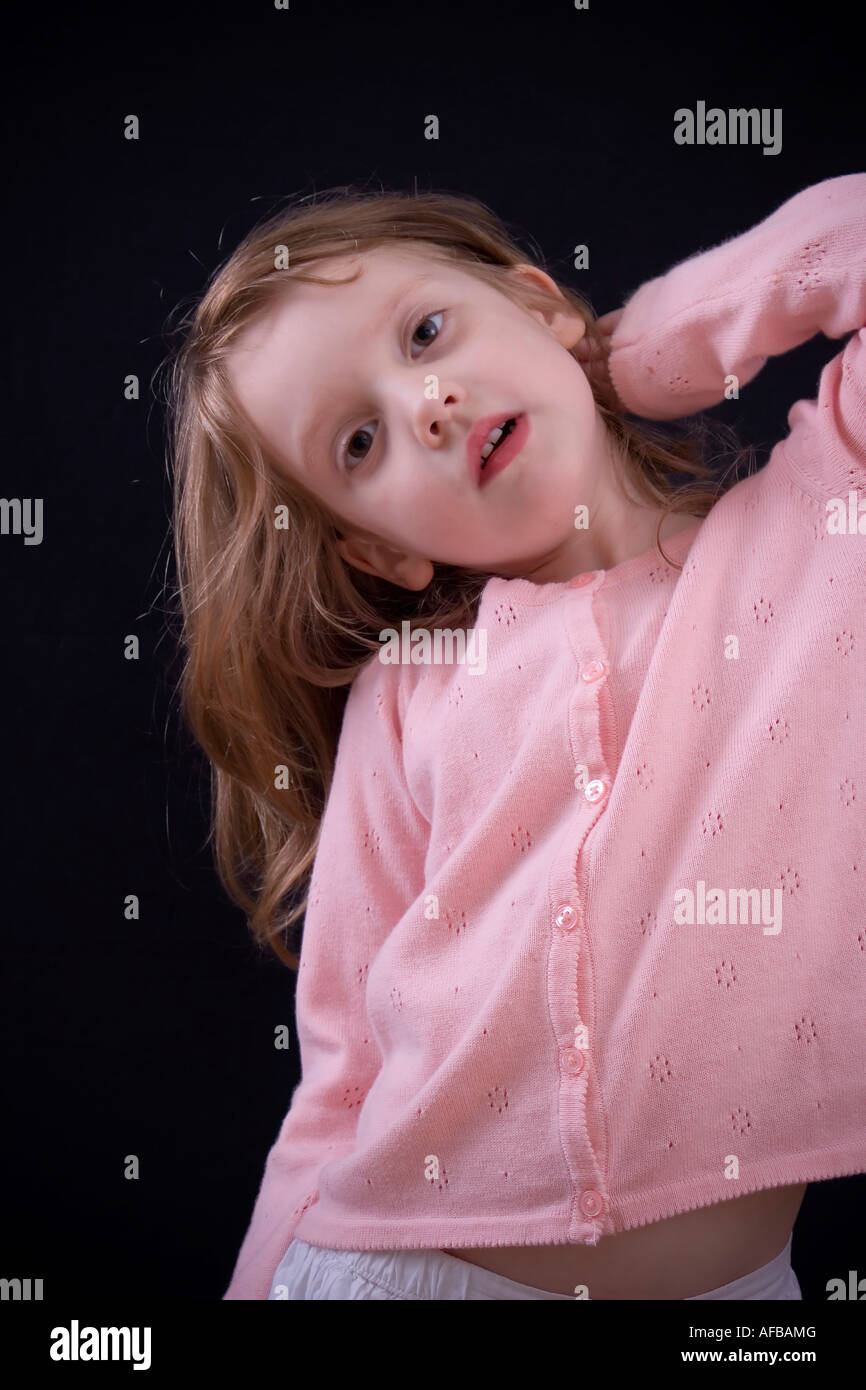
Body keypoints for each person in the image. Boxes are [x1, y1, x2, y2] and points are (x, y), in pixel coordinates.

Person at [164, 174, 866, 1299]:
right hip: (403, 1272)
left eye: (426, 332)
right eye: (358, 442)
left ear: (538, 307)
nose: (425, 405)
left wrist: (638, 350)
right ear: (379, 551)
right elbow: (339, 1078)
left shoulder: (824, 524)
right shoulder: (411, 692)